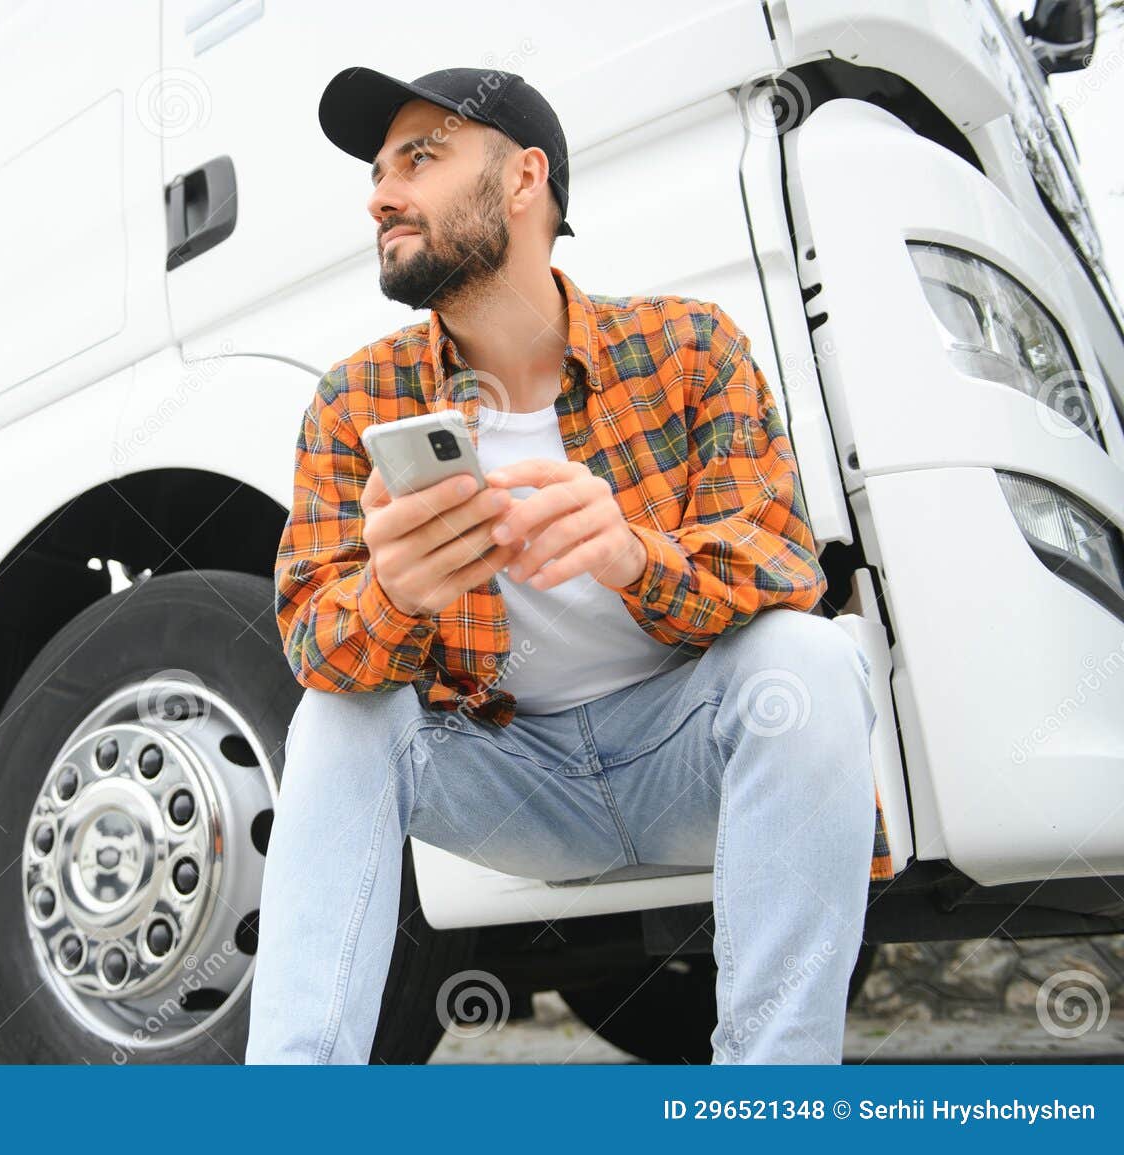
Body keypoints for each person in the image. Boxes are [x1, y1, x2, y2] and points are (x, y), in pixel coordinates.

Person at [244, 66, 892, 1065]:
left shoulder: (687, 347)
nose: (379, 195)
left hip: (691, 756)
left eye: (419, 159)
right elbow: (312, 642)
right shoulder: (354, 400)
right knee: (340, 716)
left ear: (523, 179)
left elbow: (781, 569)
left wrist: (637, 559)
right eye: (376, 173)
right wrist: (395, 596)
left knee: (810, 657)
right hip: (510, 777)